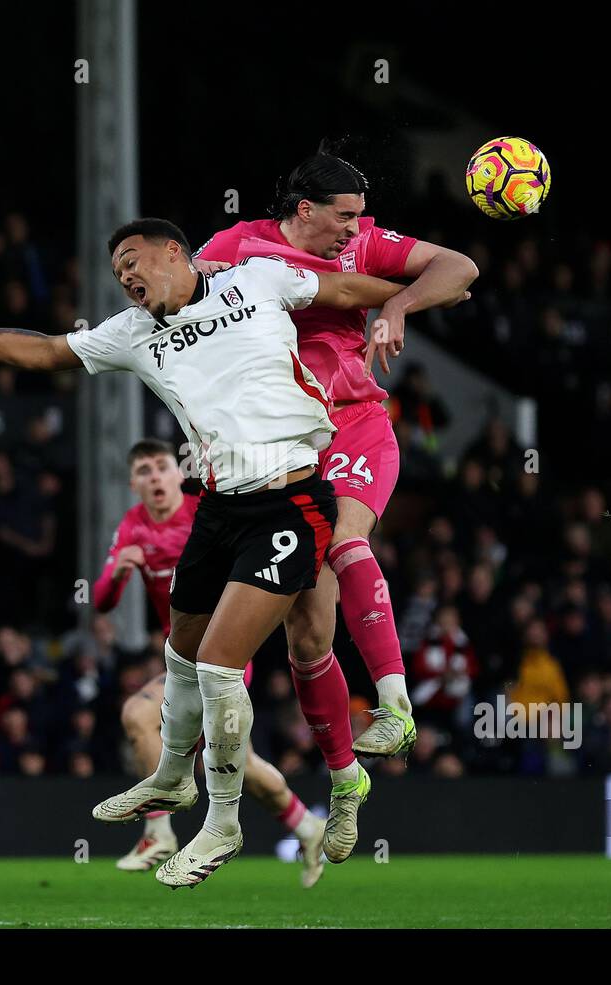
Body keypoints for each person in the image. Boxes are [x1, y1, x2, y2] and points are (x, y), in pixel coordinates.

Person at [0, 217, 411, 886]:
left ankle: (223, 826)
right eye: (116, 272)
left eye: (133, 261)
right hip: (220, 507)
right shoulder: (133, 333)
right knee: (182, 654)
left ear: (173, 253)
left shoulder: (256, 280)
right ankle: (172, 781)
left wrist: (401, 300)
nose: (125, 276)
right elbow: (44, 351)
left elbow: (341, 287)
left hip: (292, 501)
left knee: (226, 666)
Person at [194, 150, 477, 767]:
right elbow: (186, 296)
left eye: (360, 216)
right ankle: (346, 780)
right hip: (285, 446)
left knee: (350, 540)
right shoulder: (238, 243)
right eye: (345, 215)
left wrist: (398, 306)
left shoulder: (366, 245)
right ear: (305, 210)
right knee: (308, 634)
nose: (356, 227)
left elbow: (459, 269)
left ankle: (395, 707)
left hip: (354, 422)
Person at [95, 438, 326, 886]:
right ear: (132, 483)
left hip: (226, 653)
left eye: (161, 467)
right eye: (144, 471)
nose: (155, 477)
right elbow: (103, 601)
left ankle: (158, 831)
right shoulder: (132, 526)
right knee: (243, 762)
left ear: (180, 472)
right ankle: (307, 827)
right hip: (183, 660)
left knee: (138, 713)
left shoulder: (204, 515)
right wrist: (118, 570)